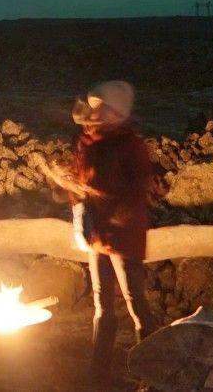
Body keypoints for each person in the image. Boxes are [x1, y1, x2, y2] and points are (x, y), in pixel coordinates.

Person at [63, 80, 154, 386]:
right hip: (98, 236)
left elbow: (133, 195)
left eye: (97, 108)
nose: (90, 114)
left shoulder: (130, 147)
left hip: (121, 237)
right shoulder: (87, 143)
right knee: (102, 302)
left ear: (113, 113)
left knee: (134, 301)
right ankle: (98, 371)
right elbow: (82, 183)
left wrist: (101, 212)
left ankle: (153, 369)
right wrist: (74, 195)